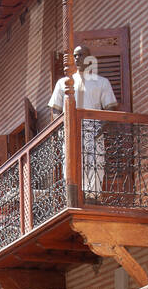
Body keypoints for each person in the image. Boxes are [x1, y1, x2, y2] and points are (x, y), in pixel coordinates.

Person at [48, 44, 118, 197]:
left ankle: (93, 197)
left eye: (81, 54)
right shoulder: (63, 83)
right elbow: (55, 109)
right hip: (71, 131)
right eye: (75, 55)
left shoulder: (101, 82)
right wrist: (64, 128)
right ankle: (74, 196)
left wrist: (100, 130)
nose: (77, 58)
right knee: (72, 164)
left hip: (94, 130)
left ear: (89, 58)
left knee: (96, 164)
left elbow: (111, 109)